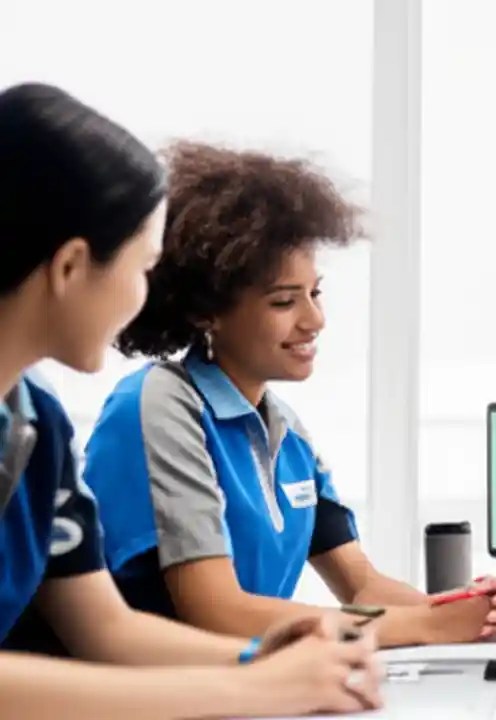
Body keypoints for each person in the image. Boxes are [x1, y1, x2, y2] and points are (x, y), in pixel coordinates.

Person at [0, 82, 382, 718]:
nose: (147, 298)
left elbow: (106, 630)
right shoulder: (154, 403)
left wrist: (264, 657)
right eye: (143, 267)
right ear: (70, 267)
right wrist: (251, 687)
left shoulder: (35, 420)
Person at [78, 141, 496, 648]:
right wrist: (425, 626)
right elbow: (215, 611)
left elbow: (361, 582)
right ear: (207, 311)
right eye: (284, 301)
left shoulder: (284, 431)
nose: (314, 320)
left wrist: (462, 608)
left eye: (315, 293)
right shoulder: (160, 402)